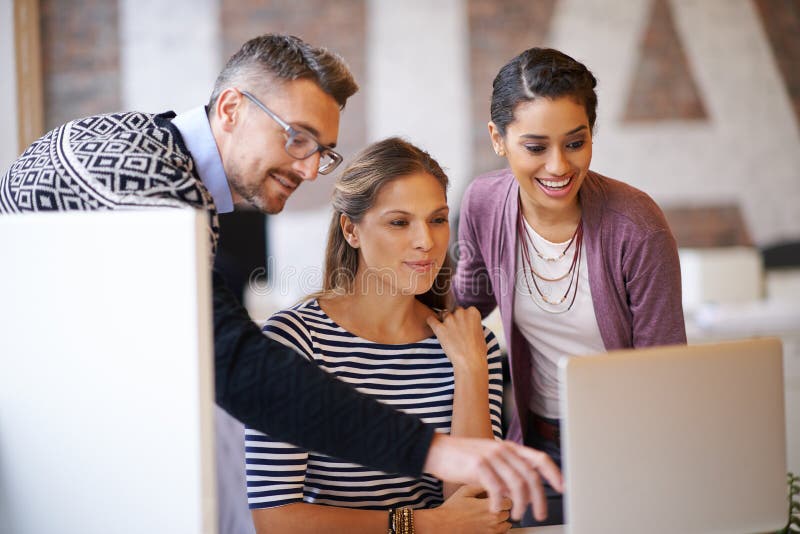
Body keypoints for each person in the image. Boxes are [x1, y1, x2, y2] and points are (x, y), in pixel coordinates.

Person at [0, 34, 561, 522]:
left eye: (322, 152)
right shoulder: (143, 178)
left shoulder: (172, 178)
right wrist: (435, 454)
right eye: (297, 138)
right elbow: (236, 365)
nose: (309, 169)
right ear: (229, 109)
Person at [454, 47, 687, 526]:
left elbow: (666, 371)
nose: (558, 167)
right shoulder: (482, 202)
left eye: (575, 143)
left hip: (629, 444)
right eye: (535, 147)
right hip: (537, 444)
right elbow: (463, 304)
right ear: (499, 138)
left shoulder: (636, 224)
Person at [246, 137, 513, 534]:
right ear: (351, 230)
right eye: (399, 222)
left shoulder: (472, 344)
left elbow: (473, 510)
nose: (426, 240)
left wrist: (470, 370)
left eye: (437, 219)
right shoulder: (294, 340)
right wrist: (422, 525)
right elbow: (276, 520)